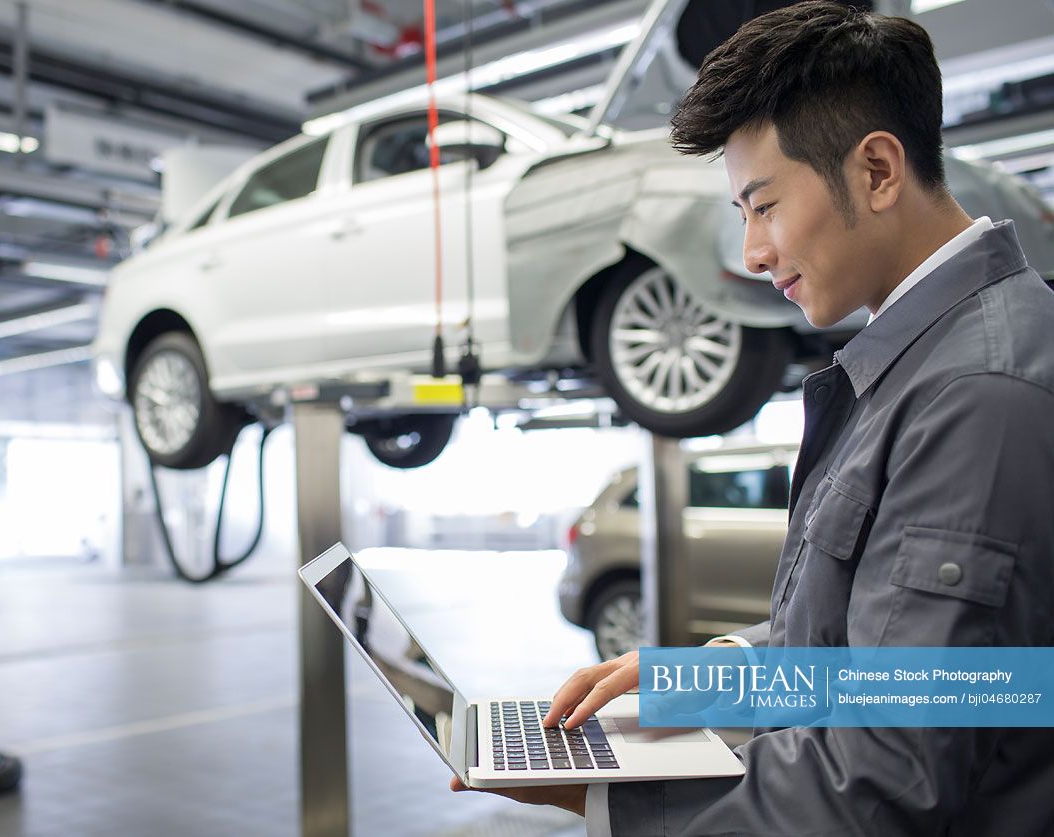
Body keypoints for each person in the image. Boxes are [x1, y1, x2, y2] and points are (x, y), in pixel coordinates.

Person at [451, 2, 1054, 833]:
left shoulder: (978, 391)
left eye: (763, 206)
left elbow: (888, 769)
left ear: (878, 170)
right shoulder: (929, 357)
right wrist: (706, 678)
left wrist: (613, 799)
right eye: (741, 214)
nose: (751, 253)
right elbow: (887, 668)